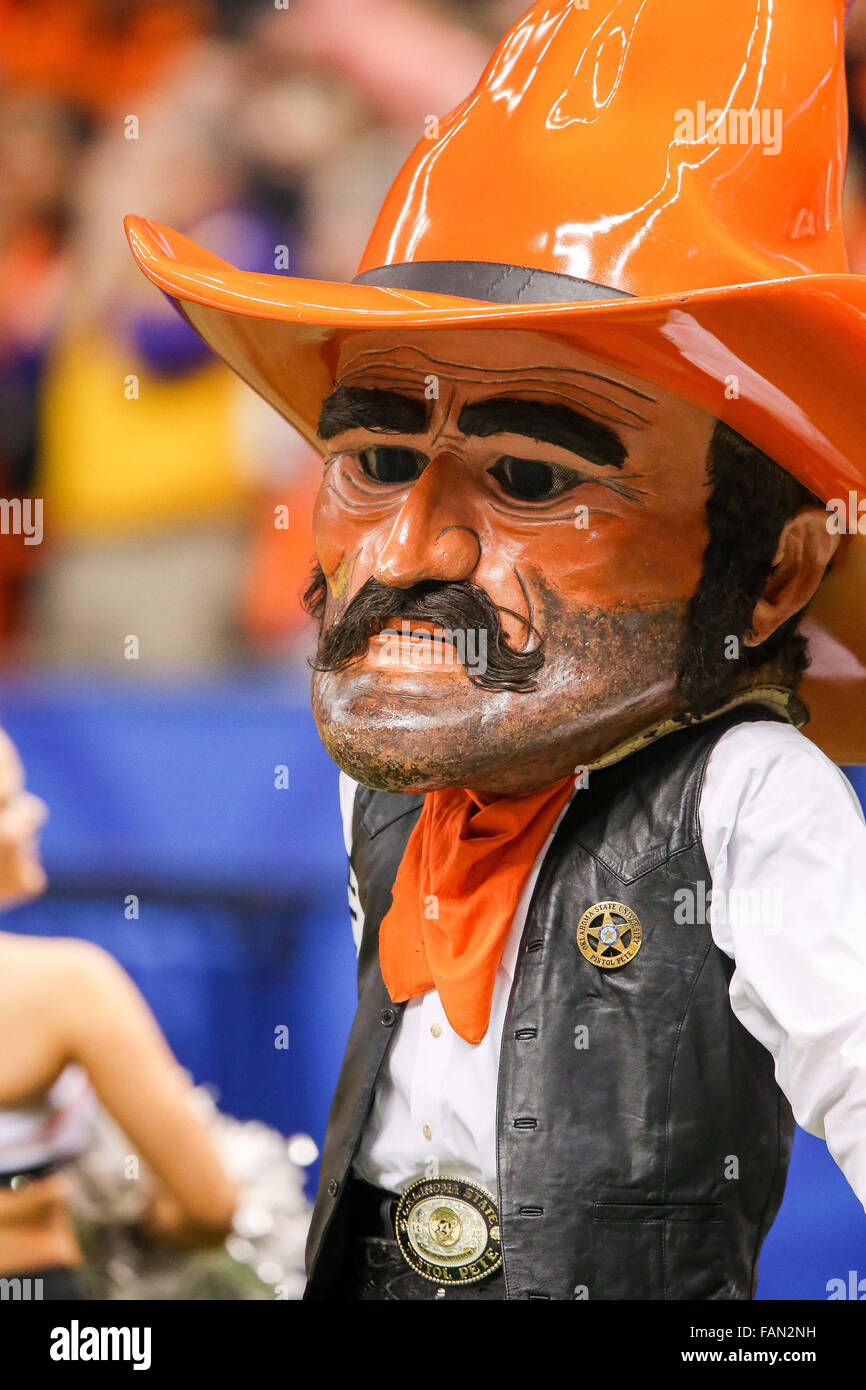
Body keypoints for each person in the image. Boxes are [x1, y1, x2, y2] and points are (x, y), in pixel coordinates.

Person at [125, 0, 866, 1300]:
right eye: (371, 459)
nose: (411, 547)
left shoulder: (750, 802)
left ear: (776, 568)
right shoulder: (390, 784)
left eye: (527, 473)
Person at [0, 729, 237, 1299]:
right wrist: (131, 1228)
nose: (37, 812)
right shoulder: (70, 984)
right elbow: (208, 1206)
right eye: (7, 803)